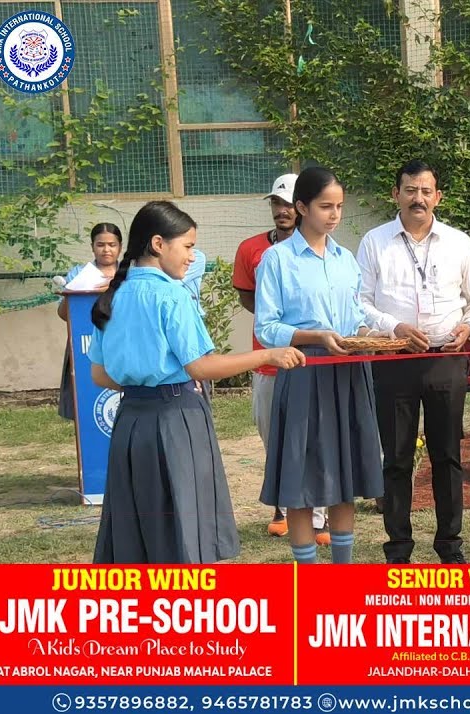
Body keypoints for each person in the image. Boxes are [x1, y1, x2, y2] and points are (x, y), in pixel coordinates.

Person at [86, 201, 304, 563]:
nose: (191, 257)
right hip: (176, 418)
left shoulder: (115, 294)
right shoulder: (172, 294)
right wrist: (268, 355)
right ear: (158, 244)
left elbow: (98, 374)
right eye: (187, 246)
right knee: (185, 524)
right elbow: (201, 367)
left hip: (130, 423)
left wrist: (141, 378)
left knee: (138, 529)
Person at [358, 159, 470, 564]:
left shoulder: (458, 242)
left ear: (438, 197)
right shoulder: (374, 242)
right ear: (395, 194)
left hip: (445, 360)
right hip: (395, 360)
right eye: (410, 190)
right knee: (397, 456)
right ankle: (398, 549)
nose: (419, 198)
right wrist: (393, 327)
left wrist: (469, 327)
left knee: (447, 454)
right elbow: (359, 302)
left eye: (426, 191)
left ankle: (450, 546)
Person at [255, 166, 386, 564]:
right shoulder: (276, 260)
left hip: (348, 373)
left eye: (339, 207)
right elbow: (266, 327)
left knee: (344, 475)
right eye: (325, 206)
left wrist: (369, 334)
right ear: (300, 207)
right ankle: (309, 578)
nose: (334, 215)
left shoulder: (346, 259)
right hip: (303, 374)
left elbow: (353, 315)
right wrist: (316, 336)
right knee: (302, 476)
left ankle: (342, 575)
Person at [231, 173, 330, 544]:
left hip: (313, 361)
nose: (281, 211)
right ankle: (283, 504)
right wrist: (276, 318)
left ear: (301, 207)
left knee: (314, 436)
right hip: (269, 360)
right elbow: (247, 297)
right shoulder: (252, 250)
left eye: (287, 204)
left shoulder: (324, 250)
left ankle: (317, 513)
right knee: (272, 434)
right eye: (275, 203)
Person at [57, 223, 122, 421]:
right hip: (84, 343)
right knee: (86, 402)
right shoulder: (78, 273)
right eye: (100, 244)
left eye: (112, 244)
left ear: (120, 246)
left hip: (121, 341)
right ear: (92, 246)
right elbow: (63, 314)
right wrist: (71, 293)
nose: (106, 250)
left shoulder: (131, 273)